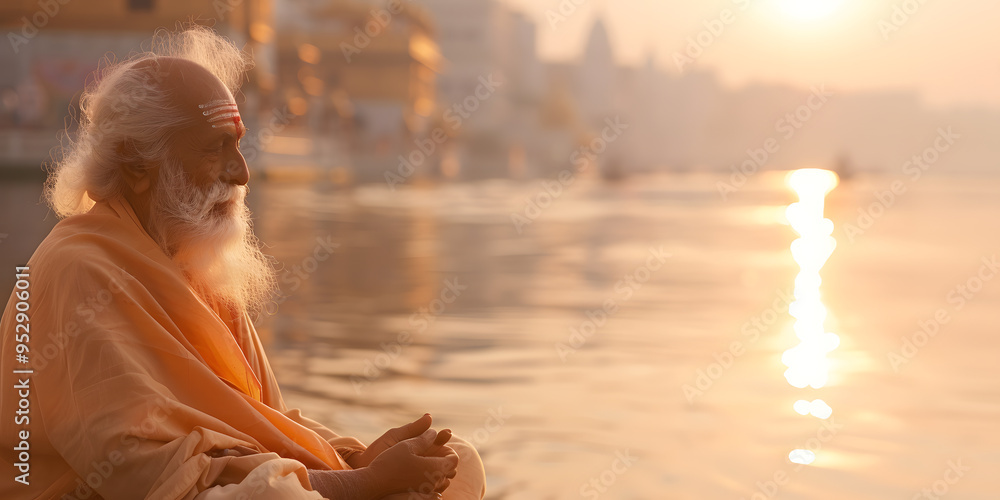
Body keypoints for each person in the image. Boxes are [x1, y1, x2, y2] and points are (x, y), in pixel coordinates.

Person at [0, 26, 485, 499]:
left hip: (248, 479)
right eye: (216, 149)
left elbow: (260, 420)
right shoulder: (76, 270)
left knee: (459, 460)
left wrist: (355, 457)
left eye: (238, 144)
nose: (242, 171)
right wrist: (362, 485)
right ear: (136, 167)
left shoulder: (192, 258)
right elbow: (147, 475)